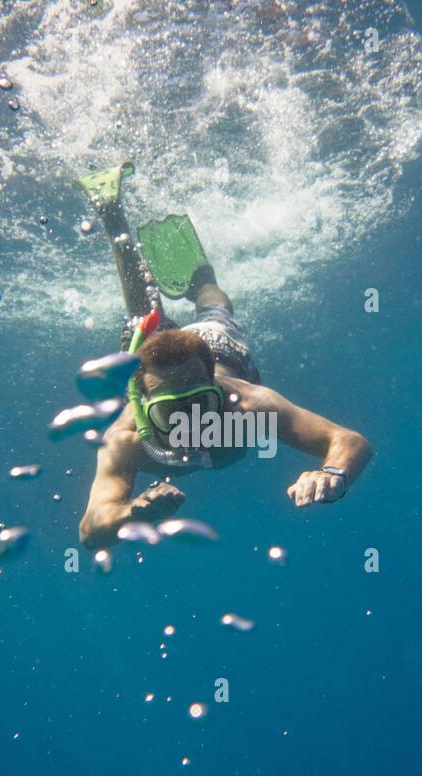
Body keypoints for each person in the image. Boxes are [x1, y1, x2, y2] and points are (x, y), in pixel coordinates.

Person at [73, 162, 372, 549]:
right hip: (178, 362)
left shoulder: (249, 407)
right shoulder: (126, 439)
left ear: (216, 386)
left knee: (215, 311)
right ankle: (112, 214)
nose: (191, 422)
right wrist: (130, 513)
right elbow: (89, 532)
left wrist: (331, 473)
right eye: (173, 410)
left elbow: (349, 440)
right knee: (142, 318)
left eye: (200, 402)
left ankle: (202, 282)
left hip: (217, 347)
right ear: (145, 401)